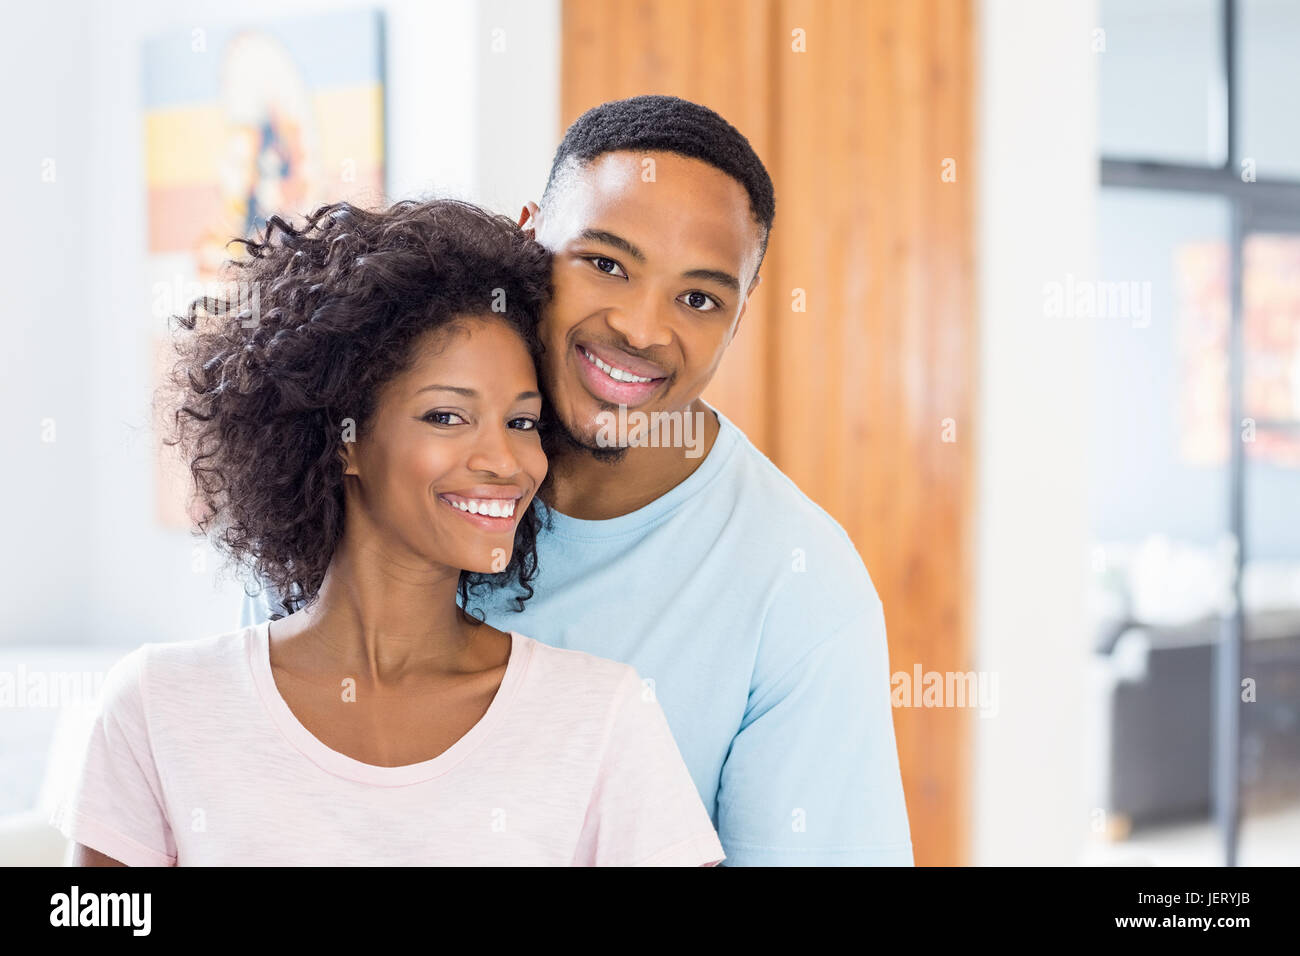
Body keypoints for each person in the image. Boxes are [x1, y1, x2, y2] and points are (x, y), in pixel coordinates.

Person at [245, 95, 914, 866]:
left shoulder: (797, 585)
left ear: (740, 311)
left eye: (698, 298)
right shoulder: (367, 477)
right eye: (604, 264)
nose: (640, 328)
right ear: (531, 235)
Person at [52, 198, 725, 866]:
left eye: (522, 423)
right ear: (343, 438)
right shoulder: (161, 707)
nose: (504, 461)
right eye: (447, 417)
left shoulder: (599, 719)